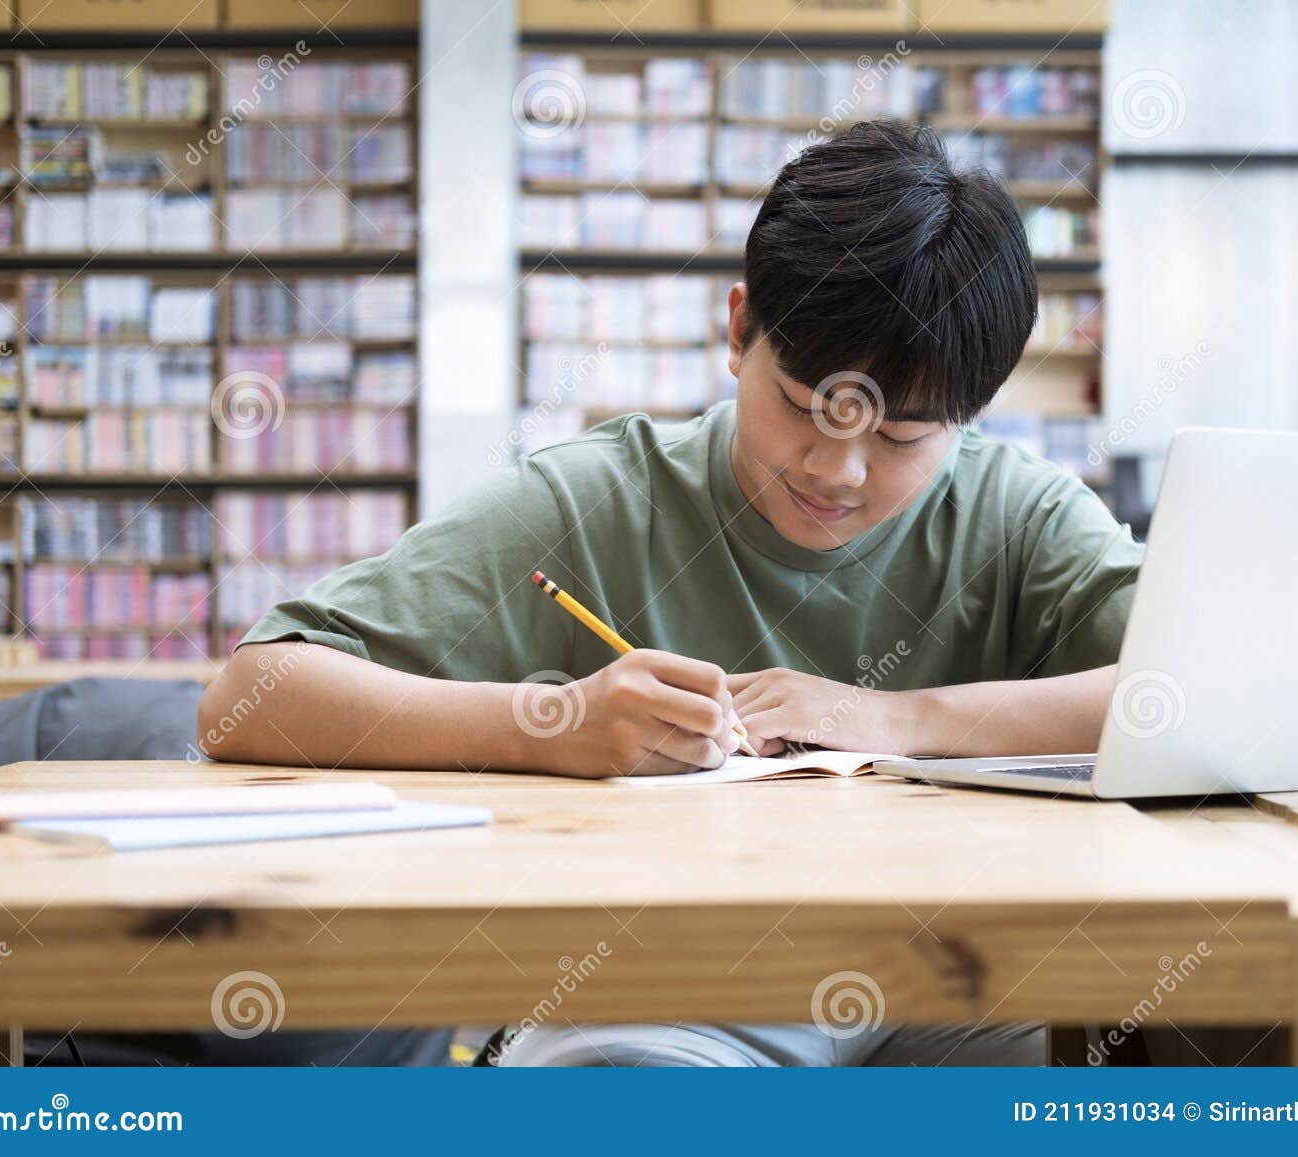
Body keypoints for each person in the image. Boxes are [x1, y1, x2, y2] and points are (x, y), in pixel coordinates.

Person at [198, 119, 1143, 1066]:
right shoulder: (593, 502)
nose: (839, 469)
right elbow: (248, 698)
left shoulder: (1017, 516)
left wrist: (899, 718)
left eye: (901, 440)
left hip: (950, 979)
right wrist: (551, 722)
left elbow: (1203, 693)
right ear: (738, 331)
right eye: (806, 406)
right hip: (669, 981)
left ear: (971, 416)